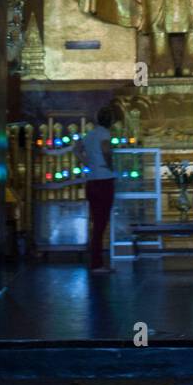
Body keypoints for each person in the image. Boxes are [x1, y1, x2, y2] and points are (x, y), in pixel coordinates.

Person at [79, 106, 116, 274]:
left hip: (91, 181)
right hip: (104, 180)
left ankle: (96, 261)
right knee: (101, 223)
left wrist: (87, 163)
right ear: (111, 121)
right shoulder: (104, 134)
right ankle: (97, 264)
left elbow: (75, 149)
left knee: (96, 223)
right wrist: (110, 166)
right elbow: (107, 151)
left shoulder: (90, 134)